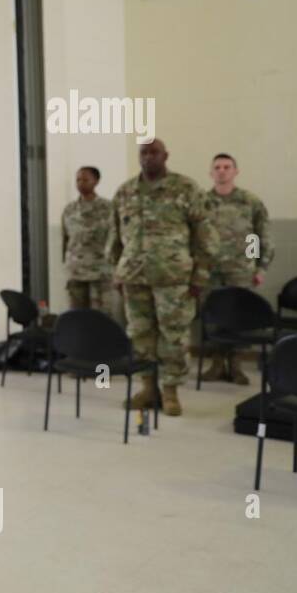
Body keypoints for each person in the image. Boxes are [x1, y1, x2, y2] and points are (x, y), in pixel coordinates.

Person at [107, 139, 218, 416]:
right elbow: (115, 236)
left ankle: (170, 391)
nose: (148, 157)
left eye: (154, 152)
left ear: (165, 155)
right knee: (140, 334)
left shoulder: (186, 188)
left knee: (174, 335)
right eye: (143, 153)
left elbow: (205, 236)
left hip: (174, 278)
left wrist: (199, 277)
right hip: (134, 277)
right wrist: (118, 272)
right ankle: (148, 388)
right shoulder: (125, 192)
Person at [202, 153, 274, 383]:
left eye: (227, 167)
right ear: (211, 173)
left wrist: (259, 267)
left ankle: (235, 366)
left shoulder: (249, 201)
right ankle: (216, 364)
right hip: (210, 271)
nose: (222, 171)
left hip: (241, 270)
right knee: (214, 317)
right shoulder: (202, 202)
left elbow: (260, 236)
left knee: (238, 318)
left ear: (235, 171)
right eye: (217, 167)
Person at [62, 166, 112, 312]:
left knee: (101, 316)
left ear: (96, 181)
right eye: (78, 180)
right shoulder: (70, 209)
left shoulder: (108, 208)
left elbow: (115, 237)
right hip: (76, 270)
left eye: (85, 179)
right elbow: (66, 238)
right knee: (77, 316)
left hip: (100, 270)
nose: (80, 183)